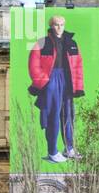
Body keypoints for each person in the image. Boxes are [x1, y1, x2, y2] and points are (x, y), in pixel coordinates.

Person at [27, 15, 84, 163]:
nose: (59, 27)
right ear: (51, 26)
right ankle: (52, 151)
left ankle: (69, 147)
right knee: (53, 114)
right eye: (56, 25)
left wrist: (78, 86)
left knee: (68, 114)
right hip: (51, 78)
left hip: (68, 78)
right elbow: (33, 64)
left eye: (62, 24)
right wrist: (44, 81)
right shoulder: (42, 42)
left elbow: (77, 66)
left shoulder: (72, 43)